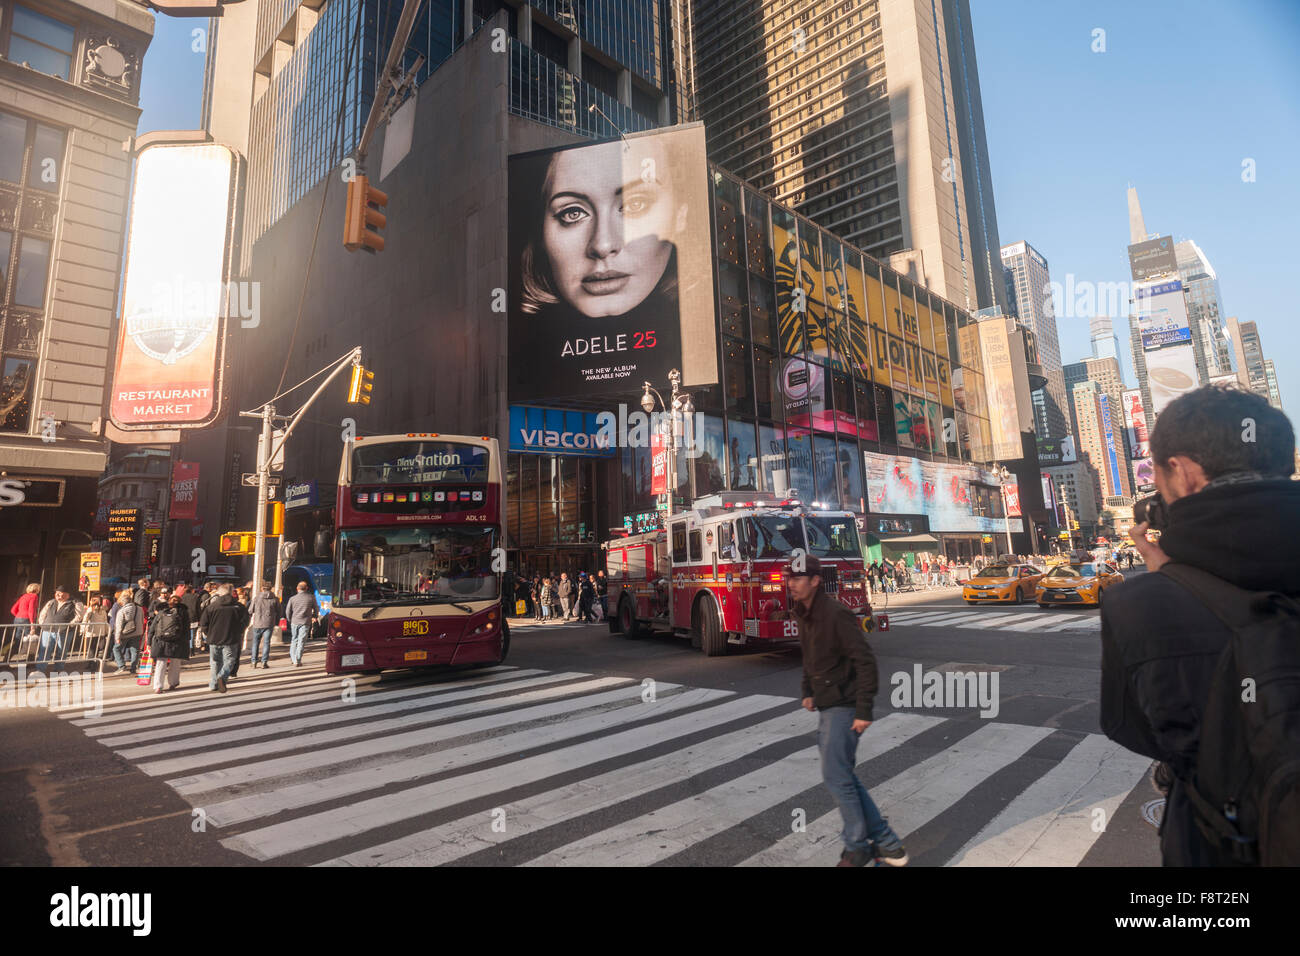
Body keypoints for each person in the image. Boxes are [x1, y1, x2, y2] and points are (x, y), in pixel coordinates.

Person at [1100, 387, 1299, 866]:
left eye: (1159, 475)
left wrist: (1170, 583)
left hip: (1221, 847)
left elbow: (1132, 727)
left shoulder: (1141, 602)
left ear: (1184, 472)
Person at [791, 555, 907, 867]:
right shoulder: (804, 612)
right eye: (790, 577)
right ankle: (887, 844)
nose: (792, 583)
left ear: (815, 580)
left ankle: (857, 847)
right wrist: (808, 690)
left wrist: (864, 709)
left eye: (799, 578)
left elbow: (865, 660)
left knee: (836, 776)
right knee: (843, 776)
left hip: (845, 704)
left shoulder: (836, 614)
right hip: (828, 701)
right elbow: (809, 655)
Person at [199, 583, 249, 693]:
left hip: (214, 638)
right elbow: (245, 621)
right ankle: (223, 676)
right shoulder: (239, 607)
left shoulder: (211, 607)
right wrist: (238, 632)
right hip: (231, 638)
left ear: (219, 593)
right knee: (230, 660)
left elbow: (203, 623)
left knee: (215, 661)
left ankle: (213, 684)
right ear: (231, 593)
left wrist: (208, 633)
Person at [148, 590, 190, 694]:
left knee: (161, 663)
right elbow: (186, 629)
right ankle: (173, 683)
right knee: (175, 663)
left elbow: (152, 628)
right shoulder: (183, 613)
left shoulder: (162, 612)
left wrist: (149, 642)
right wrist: (186, 642)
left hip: (161, 641)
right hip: (177, 641)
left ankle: (158, 686)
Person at [36, 586, 84, 667]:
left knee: (61, 652)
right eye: (58, 594)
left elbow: (79, 616)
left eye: (63, 594)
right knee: (44, 651)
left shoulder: (75, 603)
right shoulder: (51, 602)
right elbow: (43, 613)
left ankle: (58, 670)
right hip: (48, 630)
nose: (60, 596)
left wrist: (70, 625)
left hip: (64, 632)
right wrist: (42, 623)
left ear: (68, 595)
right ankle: (40, 670)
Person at [284, 580, 319, 668]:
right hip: (305, 622)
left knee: (294, 640)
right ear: (306, 588)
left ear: (297, 589)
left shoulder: (292, 598)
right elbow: (316, 608)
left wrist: (290, 619)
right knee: (301, 641)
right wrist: (314, 616)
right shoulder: (311, 597)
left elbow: (288, 611)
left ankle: (293, 659)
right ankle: (297, 660)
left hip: (294, 621)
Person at [248, 582, 281, 669]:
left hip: (257, 623)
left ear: (262, 589)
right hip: (269, 623)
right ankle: (264, 662)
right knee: (266, 643)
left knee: (255, 643)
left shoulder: (256, 598)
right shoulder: (275, 599)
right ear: (271, 589)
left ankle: (254, 662)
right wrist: (276, 622)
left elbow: (250, 610)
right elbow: (279, 612)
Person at [111, 590, 143, 675]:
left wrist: (117, 637)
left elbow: (119, 626)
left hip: (125, 634)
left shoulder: (121, 611)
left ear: (122, 602)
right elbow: (142, 620)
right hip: (137, 632)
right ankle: (133, 668)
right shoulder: (139, 609)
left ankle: (121, 665)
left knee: (116, 649)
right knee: (135, 651)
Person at [78, 595, 110, 660]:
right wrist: (106, 631)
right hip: (99, 633)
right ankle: (92, 663)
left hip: (92, 633)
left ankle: (92, 664)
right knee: (94, 650)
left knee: (91, 649)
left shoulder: (92, 610)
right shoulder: (102, 610)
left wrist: (82, 630)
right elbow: (105, 621)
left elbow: (85, 619)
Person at [176, 583, 201, 652]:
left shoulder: (182, 597)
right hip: (193, 616)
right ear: (192, 590)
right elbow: (198, 609)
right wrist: (199, 618)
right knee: (192, 634)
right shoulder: (196, 597)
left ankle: (185, 647)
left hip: (184, 617)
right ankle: (191, 648)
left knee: (185, 633)